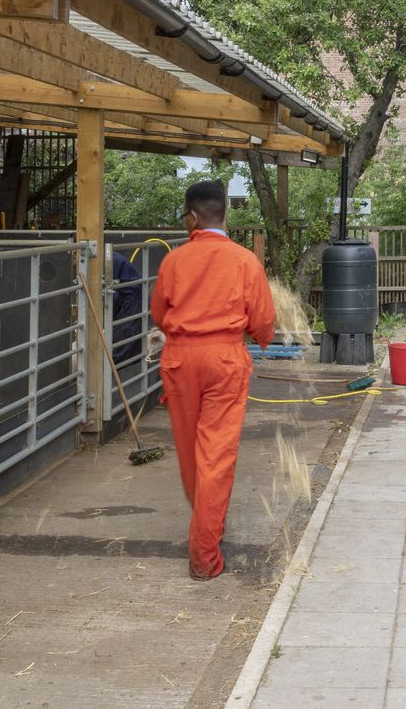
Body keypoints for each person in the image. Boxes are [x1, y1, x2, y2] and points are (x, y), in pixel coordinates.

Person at [151, 181, 275, 580]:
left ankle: (206, 529)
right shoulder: (244, 261)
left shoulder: (174, 261)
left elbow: (158, 313)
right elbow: (263, 319)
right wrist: (262, 339)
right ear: (225, 214)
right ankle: (205, 553)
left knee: (191, 457)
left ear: (191, 216)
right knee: (216, 456)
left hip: (180, 360)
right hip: (224, 358)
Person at [109, 250, 145, 364]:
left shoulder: (110, 261)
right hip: (130, 298)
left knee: (122, 347)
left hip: (131, 301)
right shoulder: (112, 258)